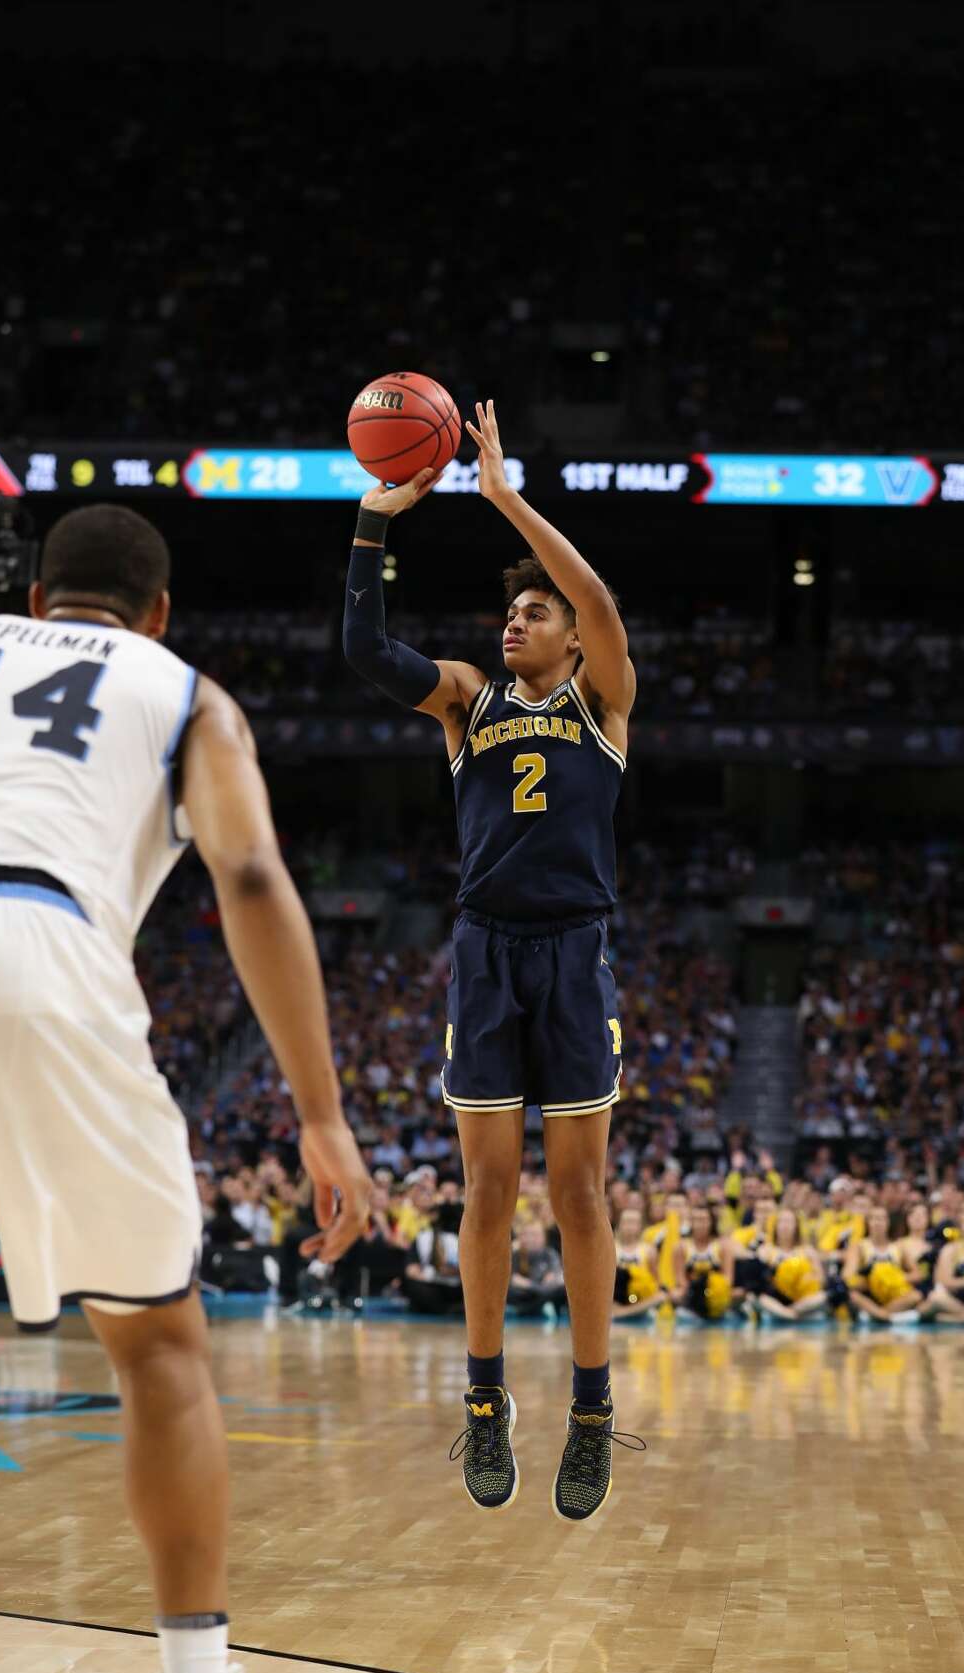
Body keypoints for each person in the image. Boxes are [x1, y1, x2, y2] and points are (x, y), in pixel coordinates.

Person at [0, 503, 372, 1673]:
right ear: (159, 613)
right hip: (46, 951)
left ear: (34, 597)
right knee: (160, 1352)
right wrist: (319, 1114)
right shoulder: (186, 693)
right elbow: (247, 878)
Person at [342, 399, 639, 1522]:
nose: (515, 621)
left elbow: (600, 599)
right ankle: (483, 1402)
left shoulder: (604, 700)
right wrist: (374, 521)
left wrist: (506, 499)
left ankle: (592, 1415)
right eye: (509, 610)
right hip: (485, 953)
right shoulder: (467, 698)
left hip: (575, 951)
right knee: (488, 1193)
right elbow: (366, 651)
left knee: (579, 1196)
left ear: (571, 637)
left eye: (533, 612)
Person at [841, 1202, 921, 1323]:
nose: (878, 1222)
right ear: (868, 1223)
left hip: (894, 1294)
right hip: (870, 1294)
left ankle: (877, 1315)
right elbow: (847, 1276)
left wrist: (894, 1279)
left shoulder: (898, 1247)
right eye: (874, 1218)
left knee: (916, 1296)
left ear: (888, 1222)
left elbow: (918, 1274)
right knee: (853, 1296)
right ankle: (887, 1316)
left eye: (882, 1219)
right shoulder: (859, 1246)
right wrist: (872, 1281)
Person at [755, 1207, 829, 1322]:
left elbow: (821, 1280)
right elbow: (758, 1282)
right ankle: (791, 1315)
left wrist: (808, 1278)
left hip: (802, 1297)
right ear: (775, 1226)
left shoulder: (808, 1251)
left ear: (796, 1226)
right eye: (781, 1221)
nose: (785, 1226)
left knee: (823, 1296)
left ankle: (787, 1312)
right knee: (758, 1298)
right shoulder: (765, 1250)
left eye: (789, 1222)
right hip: (776, 1297)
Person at [612, 1204, 666, 1320]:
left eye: (633, 1222)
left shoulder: (649, 1250)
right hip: (615, 1297)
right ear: (619, 1224)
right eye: (626, 1222)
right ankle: (619, 1312)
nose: (629, 1226)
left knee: (661, 1297)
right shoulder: (611, 1248)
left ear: (640, 1226)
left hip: (640, 1300)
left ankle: (622, 1313)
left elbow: (656, 1281)